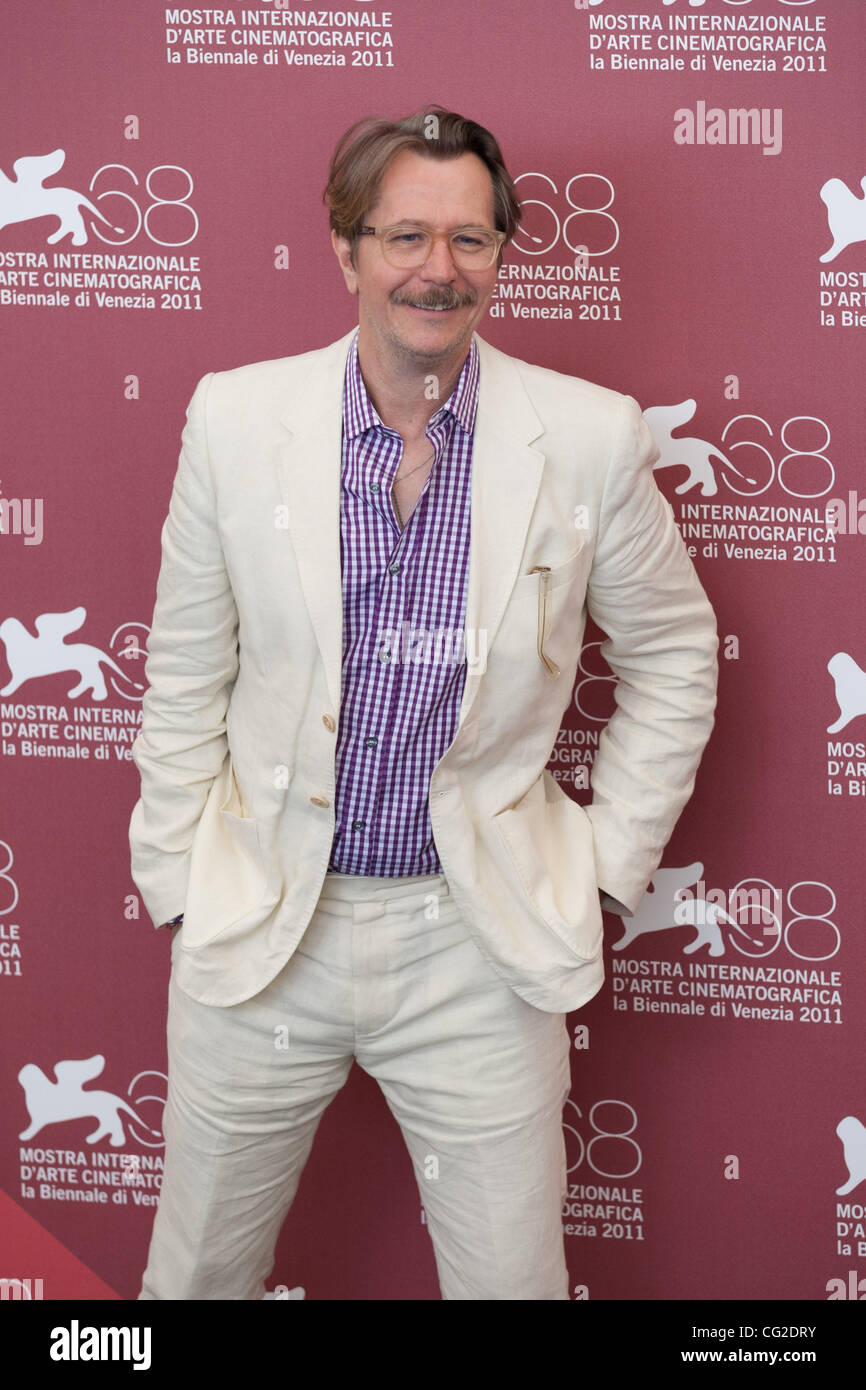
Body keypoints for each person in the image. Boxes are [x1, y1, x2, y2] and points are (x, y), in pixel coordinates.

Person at [130, 104, 718, 1301]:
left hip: (477, 940)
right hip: (260, 931)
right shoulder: (235, 421)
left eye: (469, 239)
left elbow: (672, 653)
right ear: (346, 250)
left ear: (502, 252)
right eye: (404, 235)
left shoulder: (592, 440)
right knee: (194, 1283)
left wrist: (602, 867)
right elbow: (186, 669)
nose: (436, 270)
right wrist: (183, 889)